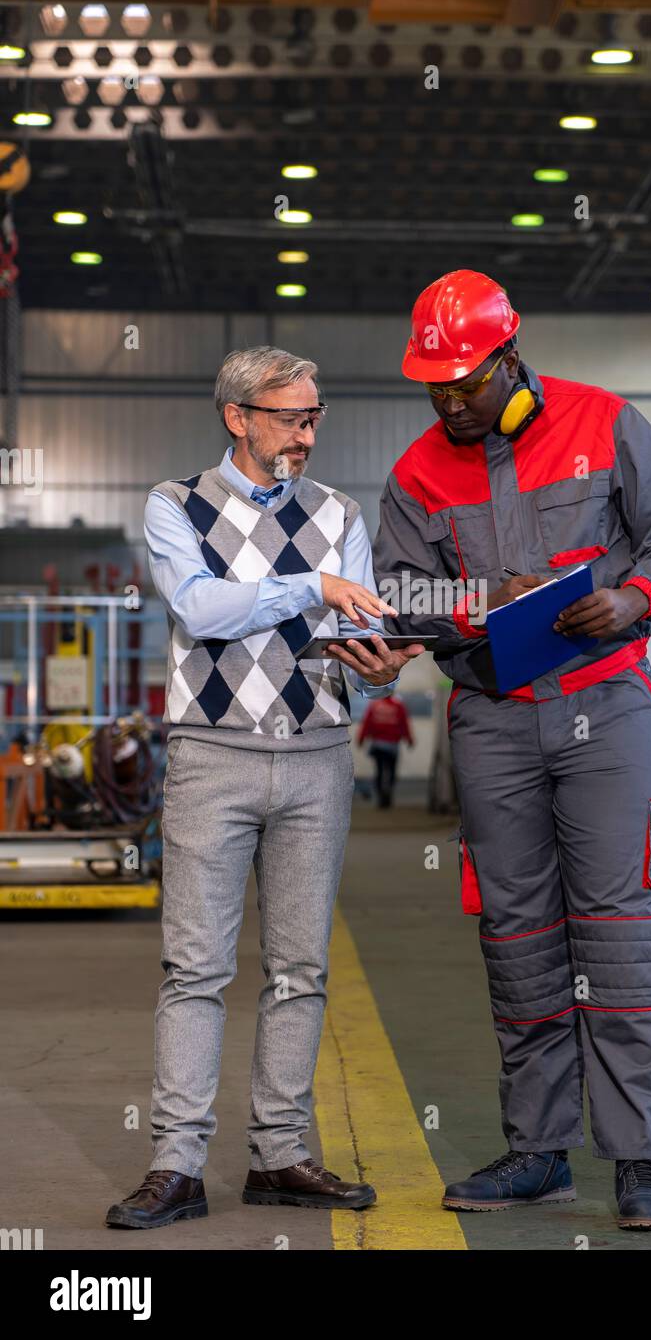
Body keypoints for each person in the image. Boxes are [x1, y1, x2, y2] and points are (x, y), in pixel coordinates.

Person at [373, 271, 651, 1228]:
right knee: (517, 936)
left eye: (466, 384)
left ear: (509, 359)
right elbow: (405, 599)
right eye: (434, 389)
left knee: (622, 934)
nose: (451, 403)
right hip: (492, 718)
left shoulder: (607, 425)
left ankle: (643, 1160)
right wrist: (476, 602)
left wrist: (632, 598)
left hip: (604, 704)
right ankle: (538, 1154)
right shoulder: (416, 474)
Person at [106, 346, 422, 1229]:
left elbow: (353, 651)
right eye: (290, 416)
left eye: (315, 416)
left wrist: (381, 670)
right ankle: (175, 1166)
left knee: (299, 969)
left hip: (318, 755)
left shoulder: (340, 513)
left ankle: (280, 1155)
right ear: (237, 417)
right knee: (195, 968)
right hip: (214, 754)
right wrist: (313, 584)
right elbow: (201, 610)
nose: (307, 433)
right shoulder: (177, 505)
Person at [357, 693, 415, 807]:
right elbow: (404, 724)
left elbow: (367, 723)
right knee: (392, 772)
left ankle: (380, 796)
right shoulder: (398, 706)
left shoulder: (374, 706)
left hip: (378, 745)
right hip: (393, 746)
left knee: (379, 772)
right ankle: (388, 794)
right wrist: (409, 739)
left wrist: (361, 738)